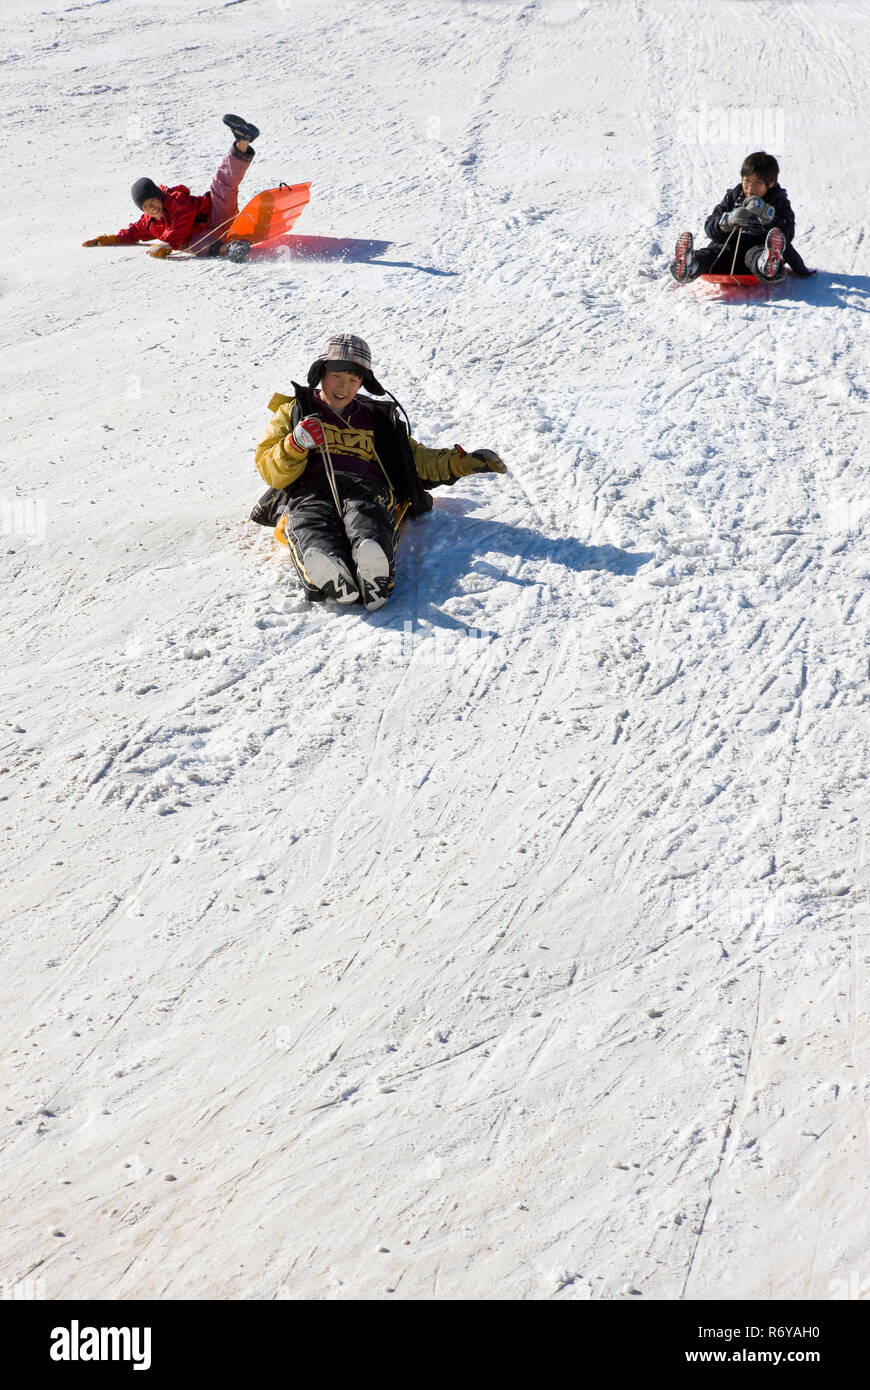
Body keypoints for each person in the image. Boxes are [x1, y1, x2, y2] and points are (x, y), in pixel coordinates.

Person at [250, 334, 506, 610]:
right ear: (321, 373)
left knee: (367, 514)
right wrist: (295, 443)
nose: (343, 387)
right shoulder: (296, 410)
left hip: (365, 487)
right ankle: (326, 567)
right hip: (309, 490)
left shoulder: (375, 419)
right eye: (337, 376)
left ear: (362, 383)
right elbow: (269, 467)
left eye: (353, 380)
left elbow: (417, 460)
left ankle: (372, 567)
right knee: (309, 519)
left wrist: (463, 463)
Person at [82, 115, 259, 261]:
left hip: (218, 215)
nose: (151, 208)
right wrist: (109, 240)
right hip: (206, 237)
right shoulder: (149, 222)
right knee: (191, 243)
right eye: (145, 207)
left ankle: (241, 141)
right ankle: (232, 249)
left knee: (221, 184)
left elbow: (179, 229)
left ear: (159, 196)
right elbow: (132, 233)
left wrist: (167, 245)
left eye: (152, 201)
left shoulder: (177, 201)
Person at [670, 151, 814, 284]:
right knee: (712, 254)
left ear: (770, 183)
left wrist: (767, 218)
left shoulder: (779, 202)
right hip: (729, 249)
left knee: (755, 255)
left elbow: (787, 233)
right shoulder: (734, 196)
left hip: (757, 248)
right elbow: (710, 226)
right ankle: (691, 265)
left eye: (757, 183)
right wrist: (727, 221)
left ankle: (767, 263)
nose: (750, 188)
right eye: (746, 181)